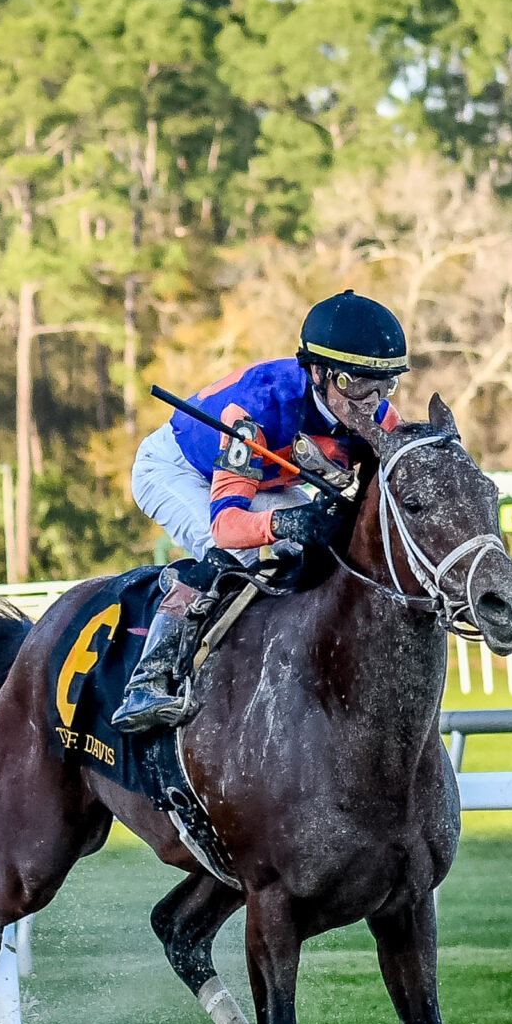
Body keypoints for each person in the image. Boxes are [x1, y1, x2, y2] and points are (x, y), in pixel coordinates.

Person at [112, 290, 409, 732]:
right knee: (236, 553)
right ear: (319, 373)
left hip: (264, 482)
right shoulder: (258, 409)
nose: (370, 402)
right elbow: (227, 526)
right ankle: (147, 681)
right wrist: (287, 521)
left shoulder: (378, 416)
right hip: (178, 469)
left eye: (384, 385)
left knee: (324, 549)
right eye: (355, 384)